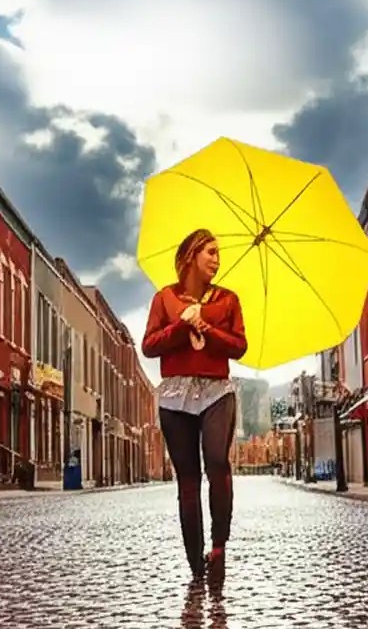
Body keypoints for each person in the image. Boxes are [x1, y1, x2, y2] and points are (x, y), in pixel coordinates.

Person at [142, 228, 247, 579]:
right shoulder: (164, 299)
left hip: (217, 391)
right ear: (191, 256)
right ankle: (195, 564)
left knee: (217, 462)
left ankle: (218, 548)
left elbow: (238, 346)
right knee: (188, 479)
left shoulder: (228, 300)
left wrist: (207, 327)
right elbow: (149, 345)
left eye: (219, 254)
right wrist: (179, 328)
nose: (217, 260)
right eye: (211, 252)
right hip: (175, 396)